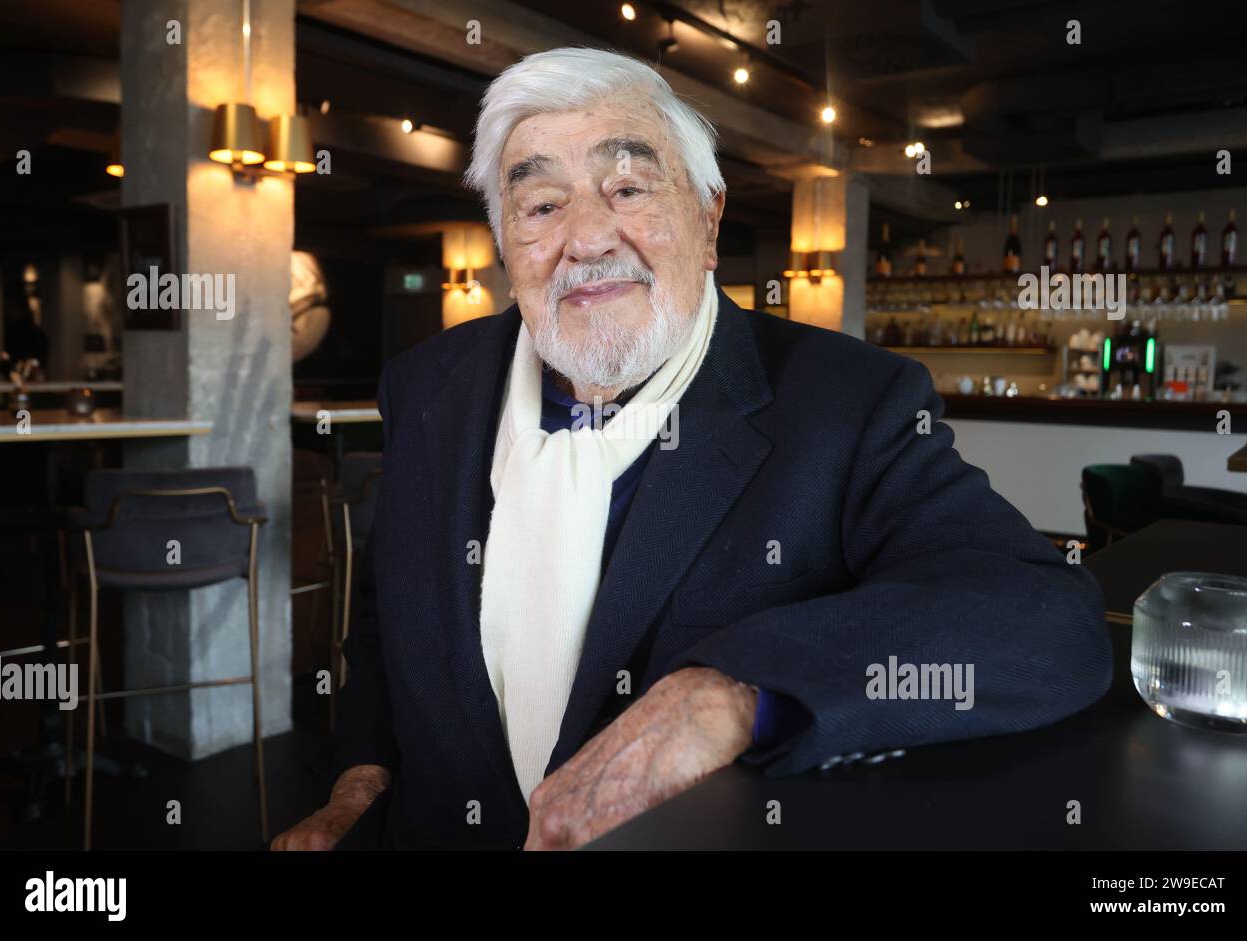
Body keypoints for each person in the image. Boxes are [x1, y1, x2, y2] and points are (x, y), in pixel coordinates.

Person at [273, 48, 1110, 852]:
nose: (588, 237)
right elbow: (390, 622)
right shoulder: (427, 385)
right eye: (540, 205)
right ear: (505, 243)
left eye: (628, 186)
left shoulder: (848, 404)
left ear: (707, 220)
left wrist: (728, 695)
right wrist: (357, 786)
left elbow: (1046, 622)